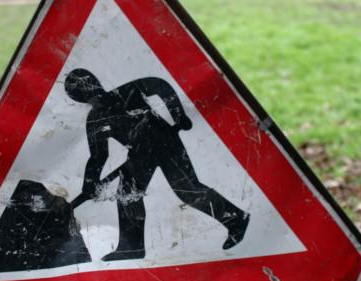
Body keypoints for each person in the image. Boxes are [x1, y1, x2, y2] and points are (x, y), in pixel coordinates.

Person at [64, 68, 250, 262]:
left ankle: (236, 218)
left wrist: (178, 115)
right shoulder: (95, 119)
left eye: (88, 88)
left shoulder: (126, 91)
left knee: (187, 189)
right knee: (127, 195)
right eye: (83, 92)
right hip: (138, 153)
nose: (90, 94)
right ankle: (133, 248)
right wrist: (90, 184)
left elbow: (160, 85)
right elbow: (98, 156)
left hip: (165, 141)